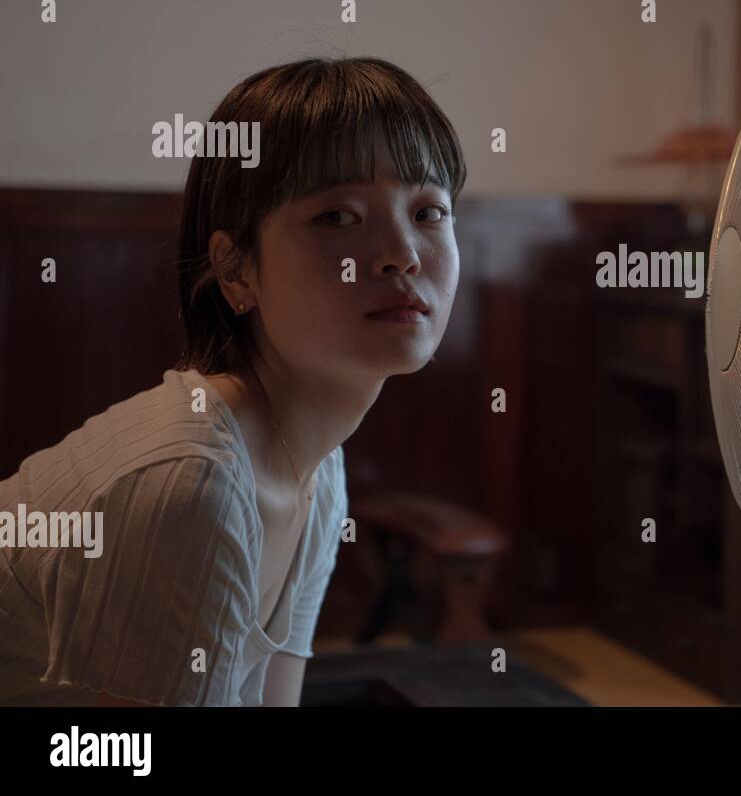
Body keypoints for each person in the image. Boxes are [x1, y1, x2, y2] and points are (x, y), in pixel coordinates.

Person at [0, 58, 465, 705]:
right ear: (237, 269)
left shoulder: (318, 472)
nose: (402, 252)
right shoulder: (193, 485)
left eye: (430, 210)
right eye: (337, 216)